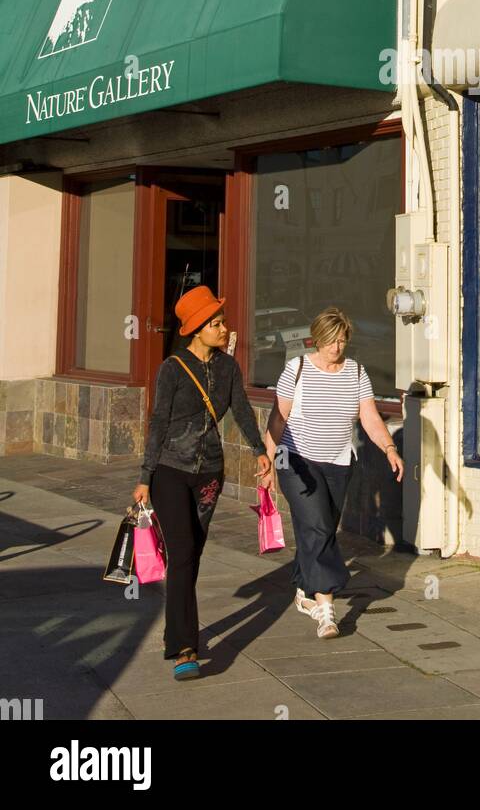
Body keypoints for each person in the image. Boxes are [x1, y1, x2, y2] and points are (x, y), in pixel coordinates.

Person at [133, 285, 272, 679]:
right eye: (216, 322)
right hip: (170, 472)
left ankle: (173, 629)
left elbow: (241, 409)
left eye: (223, 321)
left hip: (209, 472)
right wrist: (145, 477)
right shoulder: (172, 369)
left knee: (191, 554)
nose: (224, 328)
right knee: (180, 552)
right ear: (197, 328)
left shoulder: (228, 368)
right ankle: (184, 648)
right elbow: (158, 422)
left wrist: (259, 449)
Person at [265, 307, 403, 639]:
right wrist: (266, 461)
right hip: (296, 460)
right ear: (317, 340)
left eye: (342, 341)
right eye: (330, 341)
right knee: (316, 525)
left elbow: (369, 418)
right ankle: (326, 609)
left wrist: (389, 448)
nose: (336, 348)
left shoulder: (356, 373)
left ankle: (303, 588)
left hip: (339, 462)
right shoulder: (295, 368)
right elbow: (278, 418)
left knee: (322, 529)